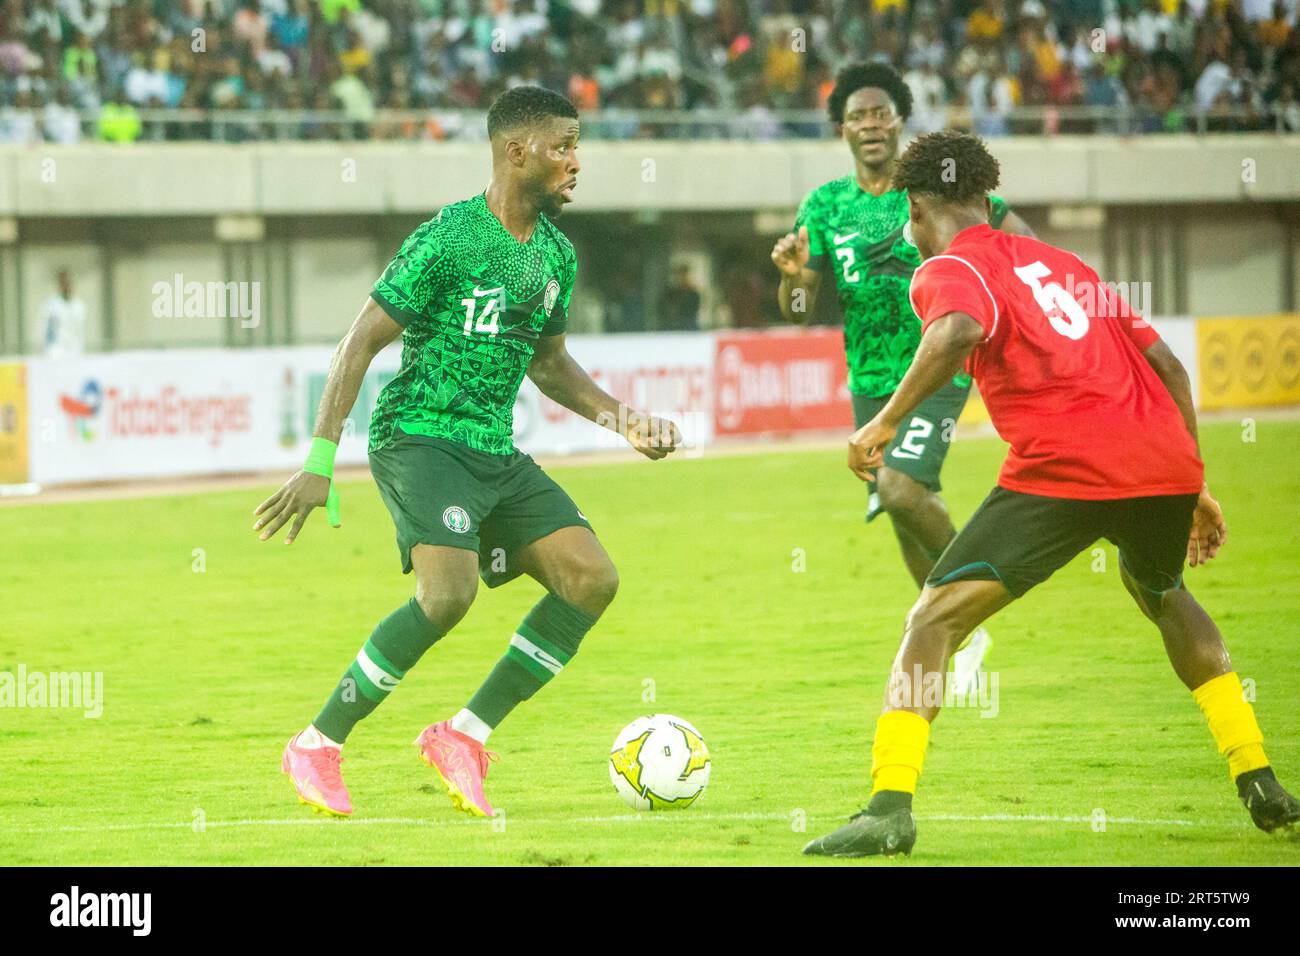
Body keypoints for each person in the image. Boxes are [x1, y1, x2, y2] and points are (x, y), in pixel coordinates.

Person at [803, 130, 1299, 857]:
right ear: (986, 197)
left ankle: (888, 807)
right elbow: (1169, 366)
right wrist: (1192, 481)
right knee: (1161, 592)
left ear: (914, 206)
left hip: (1067, 462)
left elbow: (958, 331)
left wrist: (881, 423)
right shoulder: (1063, 262)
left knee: (933, 620)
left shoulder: (947, 266)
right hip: (1158, 456)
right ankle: (1261, 780)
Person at [257, 87, 681, 819]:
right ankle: (318, 743)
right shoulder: (450, 237)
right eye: (563, 147)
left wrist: (624, 420)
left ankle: (463, 735)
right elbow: (360, 339)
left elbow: (550, 363)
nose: (576, 162)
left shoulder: (555, 255)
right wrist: (319, 461)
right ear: (517, 152)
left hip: (493, 447)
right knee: (449, 595)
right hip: (420, 434)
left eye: (578, 146)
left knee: (590, 579)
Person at [771, 63, 1034, 695]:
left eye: (881, 112)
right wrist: (791, 275)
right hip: (868, 377)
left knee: (901, 486)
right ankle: (952, 634)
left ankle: (982, 596)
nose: (870, 124)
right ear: (841, 128)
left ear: (900, 119)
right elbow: (799, 308)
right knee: (900, 507)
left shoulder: (933, 187)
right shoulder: (825, 206)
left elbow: (1023, 244)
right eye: (857, 115)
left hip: (938, 362)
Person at [41, 270, 87, 358]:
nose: (66, 285)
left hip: (75, 349)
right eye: (63, 283)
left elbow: (80, 330)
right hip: (56, 349)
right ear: (59, 285)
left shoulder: (79, 305)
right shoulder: (51, 304)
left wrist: (80, 347)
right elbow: (46, 330)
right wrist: (48, 349)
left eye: (68, 283)